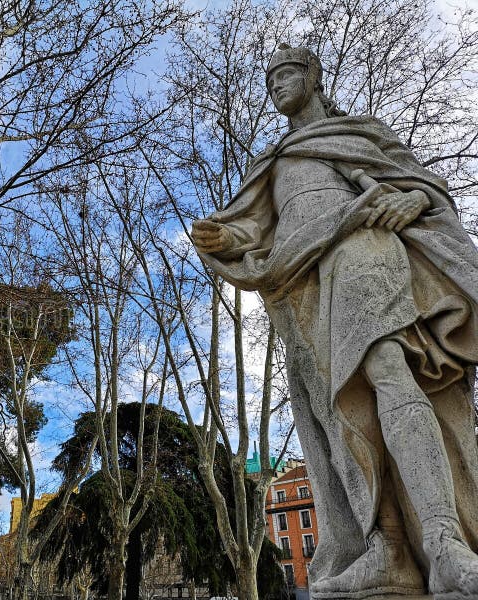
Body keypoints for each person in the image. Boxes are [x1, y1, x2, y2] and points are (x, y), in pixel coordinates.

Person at [192, 44, 478, 598]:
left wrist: (411, 201)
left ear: (314, 76)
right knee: (334, 406)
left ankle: (445, 543)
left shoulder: (359, 133)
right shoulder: (274, 162)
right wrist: (225, 238)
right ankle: (385, 547)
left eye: (286, 74)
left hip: (363, 248)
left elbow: (423, 188)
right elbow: (259, 233)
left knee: (387, 367)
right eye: (269, 80)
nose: (275, 86)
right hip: (302, 282)